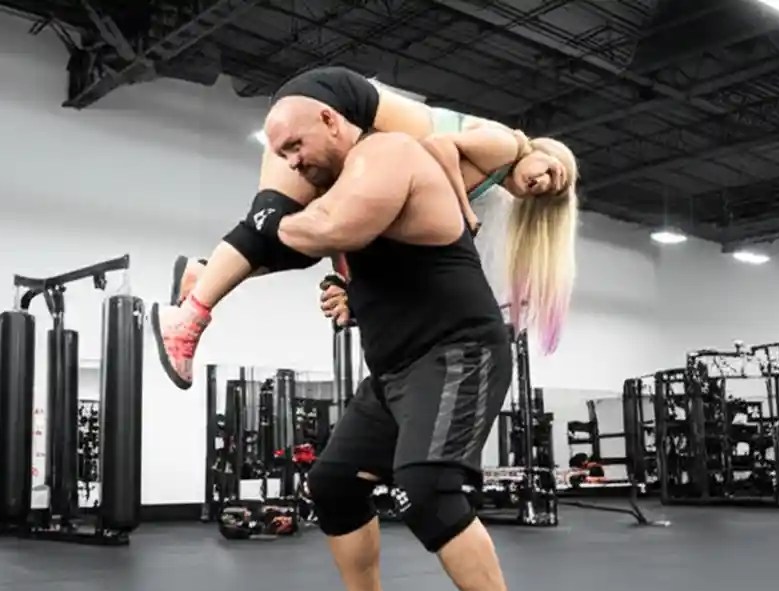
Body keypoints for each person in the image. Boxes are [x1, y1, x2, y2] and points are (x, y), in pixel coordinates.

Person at [259, 95, 553, 591]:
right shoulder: (358, 196)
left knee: (427, 487)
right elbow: (373, 261)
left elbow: (343, 229)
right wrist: (348, 290)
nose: (291, 162)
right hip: (393, 369)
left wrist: (261, 231)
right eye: (281, 155)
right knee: (334, 483)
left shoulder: (402, 160)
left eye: (296, 148)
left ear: (336, 122)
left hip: (457, 352)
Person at [152, 66, 578, 389]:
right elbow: (437, 147)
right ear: (543, 151)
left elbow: (359, 224)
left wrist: (348, 281)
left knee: (300, 247)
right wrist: (464, 214)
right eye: (551, 172)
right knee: (270, 220)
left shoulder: (492, 187)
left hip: (354, 130)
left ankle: (202, 274)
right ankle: (188, 317)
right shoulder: (508, 144)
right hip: (339, 101)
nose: (543, 183)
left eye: (549, 191)